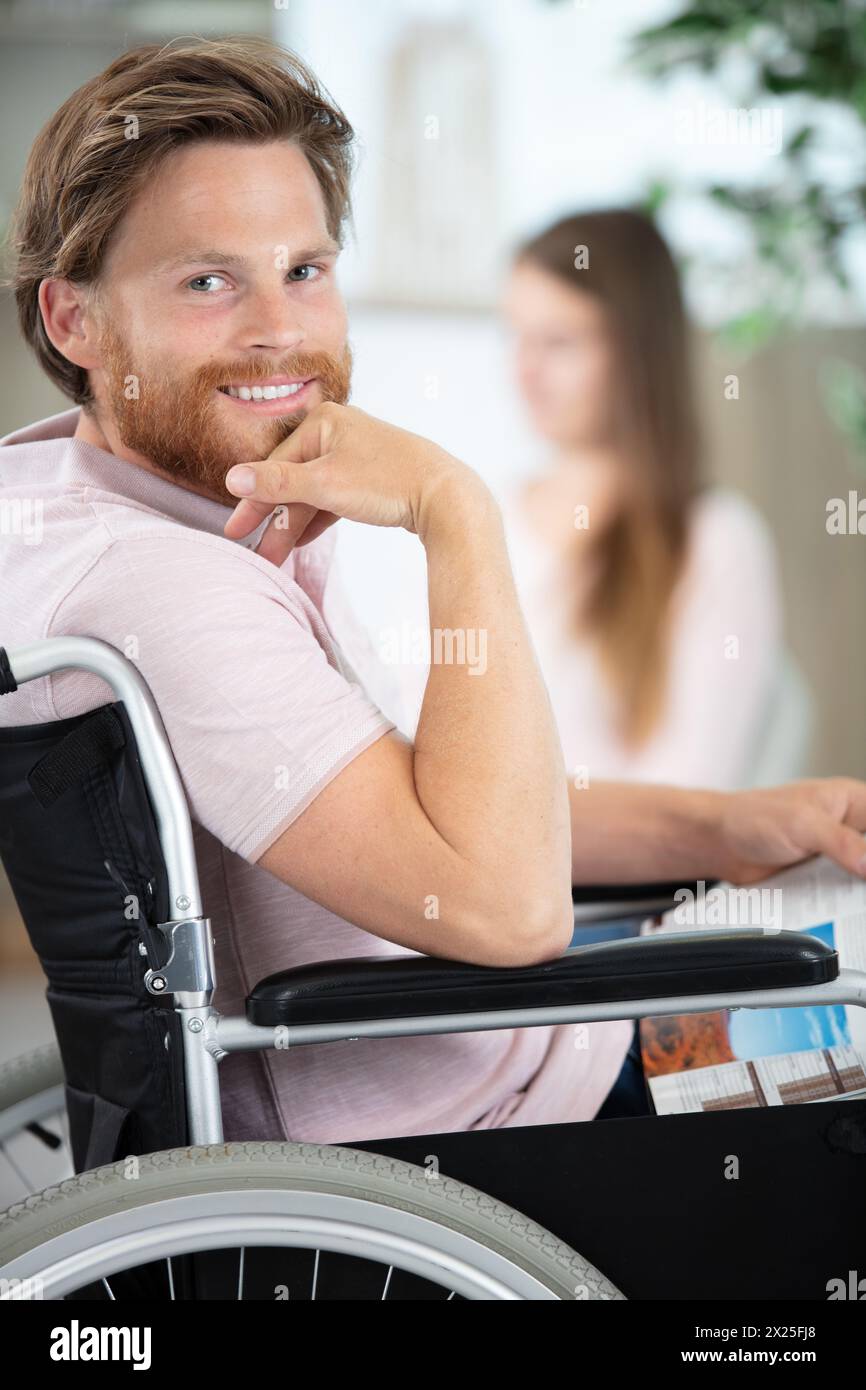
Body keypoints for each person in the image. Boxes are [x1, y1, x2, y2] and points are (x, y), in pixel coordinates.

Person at [2, 38, 865, 1148]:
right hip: (520, 1111)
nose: (280, 329)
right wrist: (452, 514)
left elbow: (422, 819)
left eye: (304, 269)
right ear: (72, 320)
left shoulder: (92, 510)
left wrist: (730, 823)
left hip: (510, 1051)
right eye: (209, 280)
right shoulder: (170, 587)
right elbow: (504, 909)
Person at [500, 209, 784, 789]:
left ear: (636, 352)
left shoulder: (716, 541)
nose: (524, 371)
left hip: (623, 879)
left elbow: (695, 791)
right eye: (517, 337)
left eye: (559, 342)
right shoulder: (481, 514)